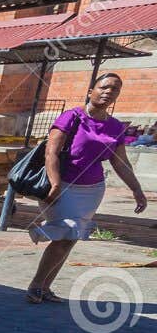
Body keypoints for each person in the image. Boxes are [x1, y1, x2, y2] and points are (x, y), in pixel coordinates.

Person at [26, 72, 148, 304]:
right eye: (104, 87)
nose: (109, 92)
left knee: (70, 238)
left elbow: (120, 162)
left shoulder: (115, 127)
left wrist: (136, 189)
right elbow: (50, 152)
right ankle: (36, 285)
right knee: (65, 235)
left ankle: (44, 287)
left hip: (92, 190)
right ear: (90, 91)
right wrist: (54, 184)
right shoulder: (71, 117)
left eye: (115, 89)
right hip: (63, 185)